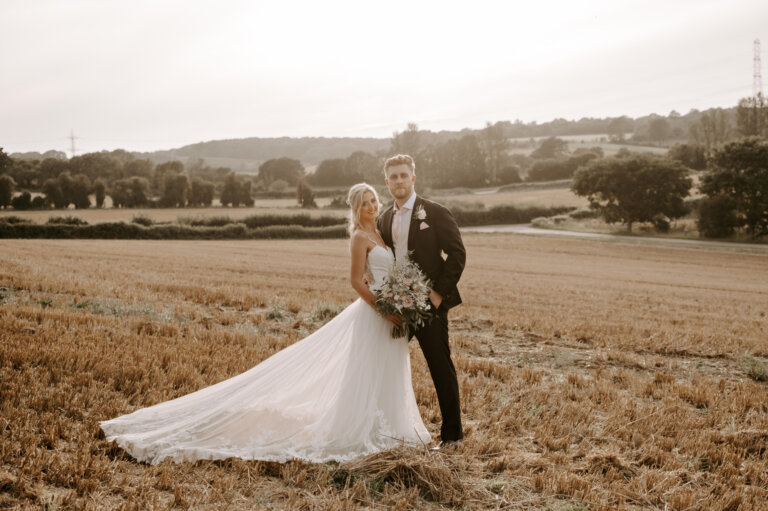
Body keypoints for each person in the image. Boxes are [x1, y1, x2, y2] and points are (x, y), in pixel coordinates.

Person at [100, 183, 430, 464]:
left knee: (388, 368)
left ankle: (389, 427)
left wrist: (403, 302)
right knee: (366, 370)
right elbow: (357, 282)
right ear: (356, 208)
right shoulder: (360, 237)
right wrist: (383, 308)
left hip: (394, 313)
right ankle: (361, 428)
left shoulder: (381, 231)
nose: (373, 205)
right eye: (366, 202)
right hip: (375, 313)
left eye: (374, 200)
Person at [376, 154, 466, 450]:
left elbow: (457, 254)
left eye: (404, 175)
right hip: (397, 307)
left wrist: (437, 295)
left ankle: (452, 436)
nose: (399, 181)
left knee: (440, 367)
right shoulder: (384, 218)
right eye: (393, 177)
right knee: (383, 364)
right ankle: (384, 429)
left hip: (429, 306)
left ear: (413, 178)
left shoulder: (436, 212)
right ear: (386, 182)